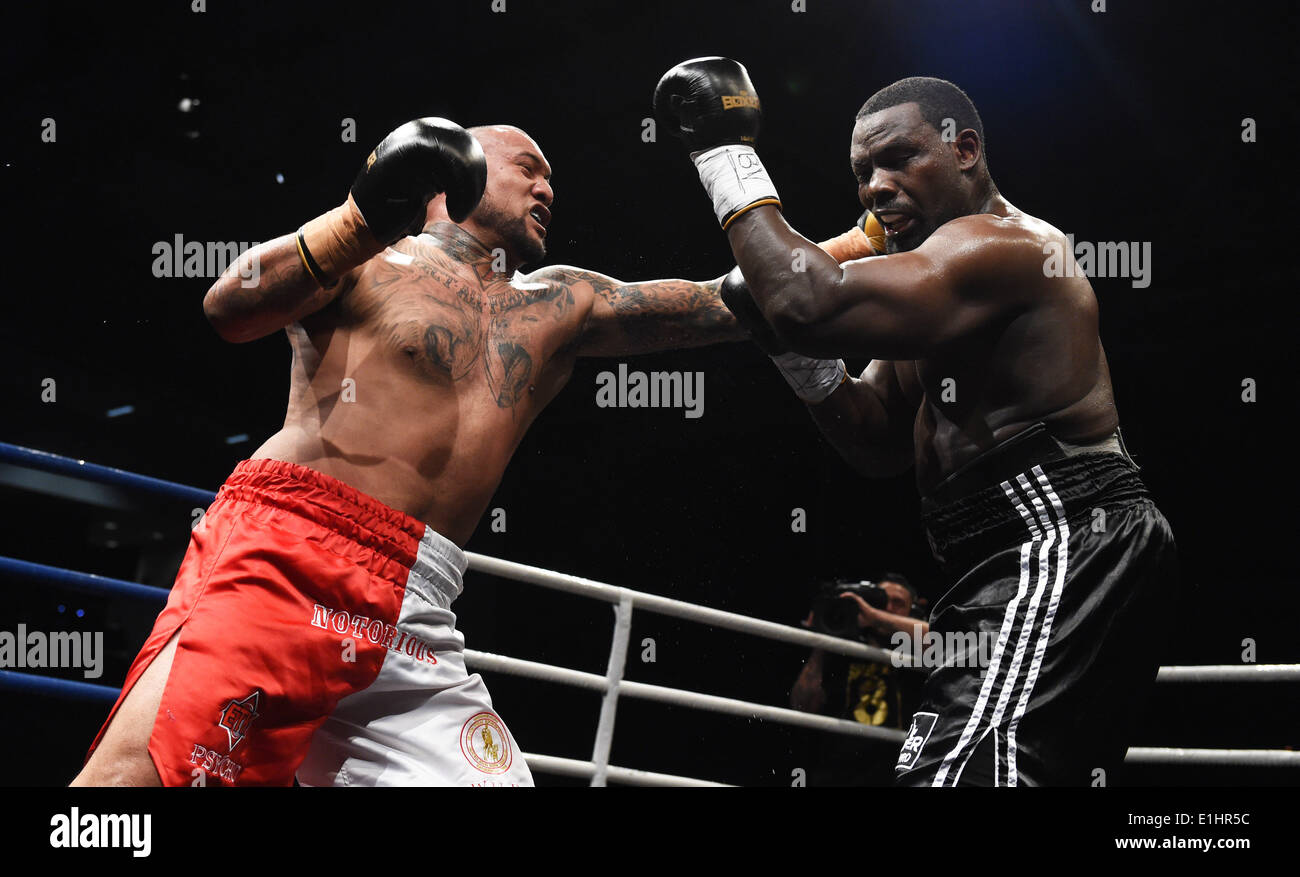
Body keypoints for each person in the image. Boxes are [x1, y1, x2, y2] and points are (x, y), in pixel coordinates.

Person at [73, 119, 764, 787]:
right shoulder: (369, 256)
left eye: (551, 180)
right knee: (149, 776)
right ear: (449, 173)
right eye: (527, 169)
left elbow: (726, 302)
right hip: (291, 553)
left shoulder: (560, 303)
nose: (546, 190)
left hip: (418, 599)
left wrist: (865, 240)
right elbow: (229, 305)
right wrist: (357, 218)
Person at [655, 60, 1179, 786]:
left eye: (900, 158)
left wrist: (724, 150)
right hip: (996, 555)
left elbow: (813, 301)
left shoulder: (1008, 247)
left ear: (965, 150)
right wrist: (786, 349)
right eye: (863, 172)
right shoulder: (933, 288)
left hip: (1061, 533)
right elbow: (873, 438)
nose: (876, 187)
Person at [790, 574, 926, 786]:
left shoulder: (917, 653)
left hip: (894, 772)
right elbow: (803, 706)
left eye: (898, 603)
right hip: (836, 770)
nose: (888, 608)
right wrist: (822, 641)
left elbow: (942, 638)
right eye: (880, 601)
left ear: (913, 612)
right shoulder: (842, 648)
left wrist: (875, 616)